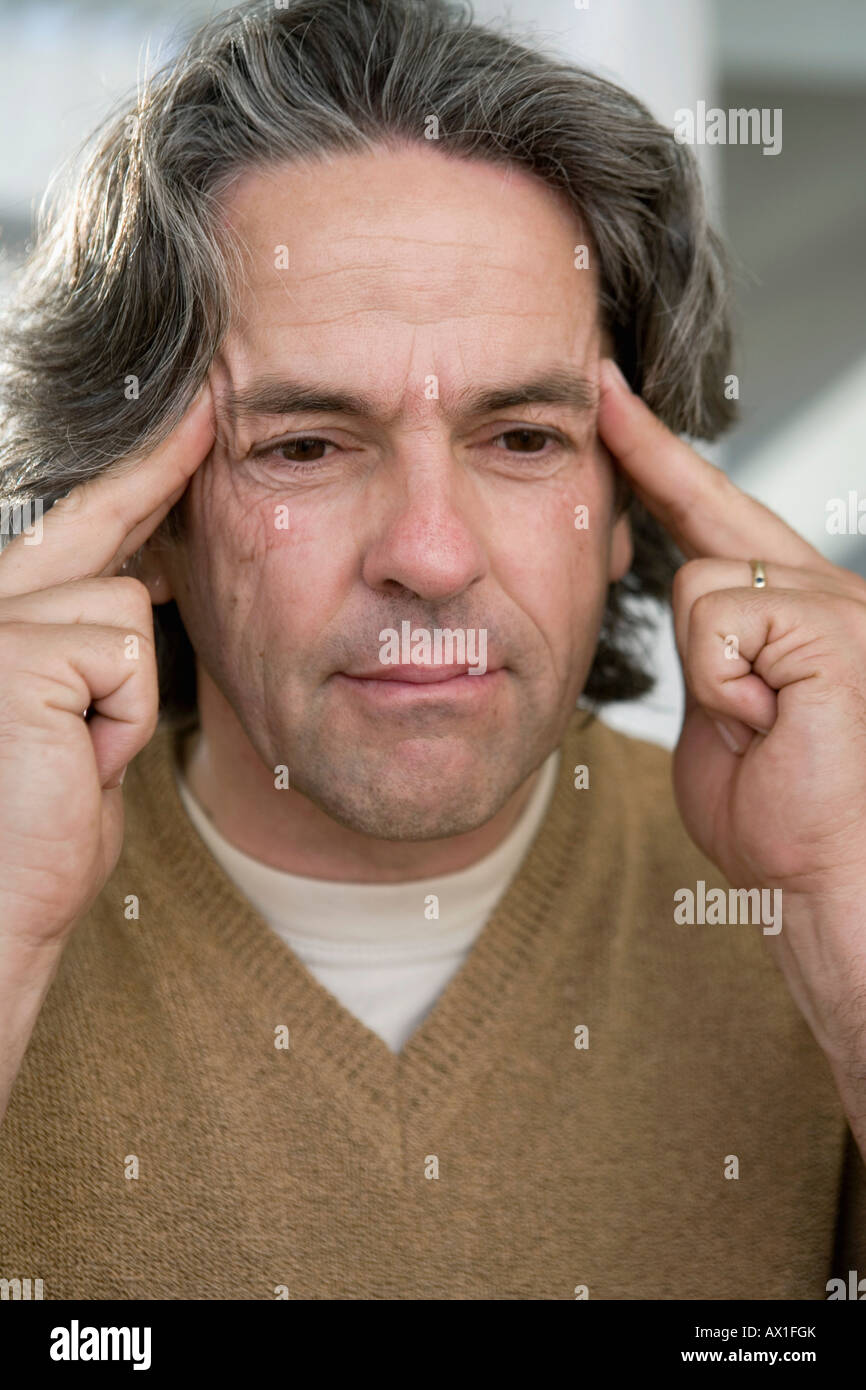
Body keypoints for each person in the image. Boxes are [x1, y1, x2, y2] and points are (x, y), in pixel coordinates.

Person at [0, 0, 864, 1300]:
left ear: (633, 505)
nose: (430, 551)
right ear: (149, 529)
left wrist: (842, 902)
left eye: (520, 439)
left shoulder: (815, 893)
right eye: (303, 445)